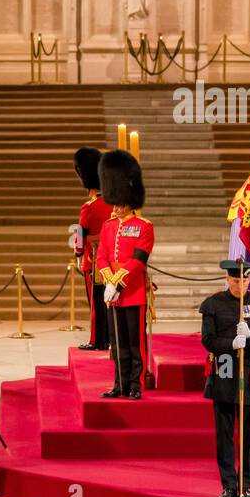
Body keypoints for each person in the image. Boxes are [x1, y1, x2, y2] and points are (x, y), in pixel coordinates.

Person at [201, 259, 250, 497]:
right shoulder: (213, 304)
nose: (240, 286)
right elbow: (208, 341)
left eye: (244, 281)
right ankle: (228, 484)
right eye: (235, 281)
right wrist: (231, 343)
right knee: (224, 434)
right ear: (227, 280)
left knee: (249, 435)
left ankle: (246, 484)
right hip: (224, 371)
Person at [96, 149, 155, 399]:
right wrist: (109, 281)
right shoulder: (108, 227)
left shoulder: (144, 227)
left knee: (134, 343)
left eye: (121, 202)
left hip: (133, 292)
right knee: (117, 342)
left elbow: (138, 261)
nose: (117, 206)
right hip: (113, 294)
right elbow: (101, 256)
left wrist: (117, 282)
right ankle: (119, 383)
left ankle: (135, 384)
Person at [72, 147, 112, 352]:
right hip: (113, 260)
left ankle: (98, 339)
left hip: (94, 260)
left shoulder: (90, 206)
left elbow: (80, 235)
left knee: (96, 303)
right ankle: (111, 337)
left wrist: (78, 254)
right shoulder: (113, 204)